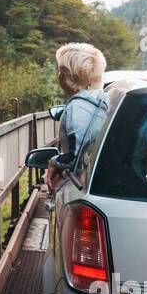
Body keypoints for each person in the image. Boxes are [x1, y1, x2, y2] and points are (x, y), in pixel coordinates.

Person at [45, 43, 108, 194]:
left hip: (83, 186)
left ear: (65, 78)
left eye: (60, 71)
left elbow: (76, 156)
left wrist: (54, 164)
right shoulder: (105, 100)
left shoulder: (77, 107)